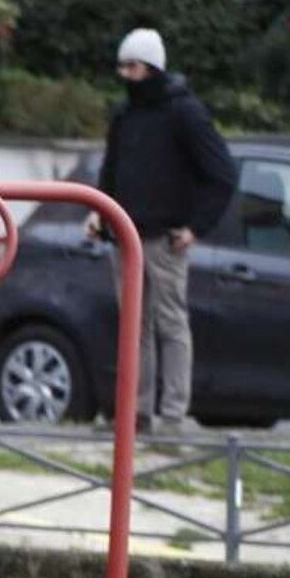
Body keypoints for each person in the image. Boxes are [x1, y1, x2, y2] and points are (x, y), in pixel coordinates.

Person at [91, 27, 238, 432]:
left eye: (133, 67)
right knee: (133, 327)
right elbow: (112, 168)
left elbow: (221, 173)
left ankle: (173, 414)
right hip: (126, 234)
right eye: (122, 67)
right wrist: (99, 213)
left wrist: (195, 227)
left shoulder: (185, 113)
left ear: (152, 68)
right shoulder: (125, 114)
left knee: (171, 324)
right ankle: (135, 412)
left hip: (165, 238)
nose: (126, 76)